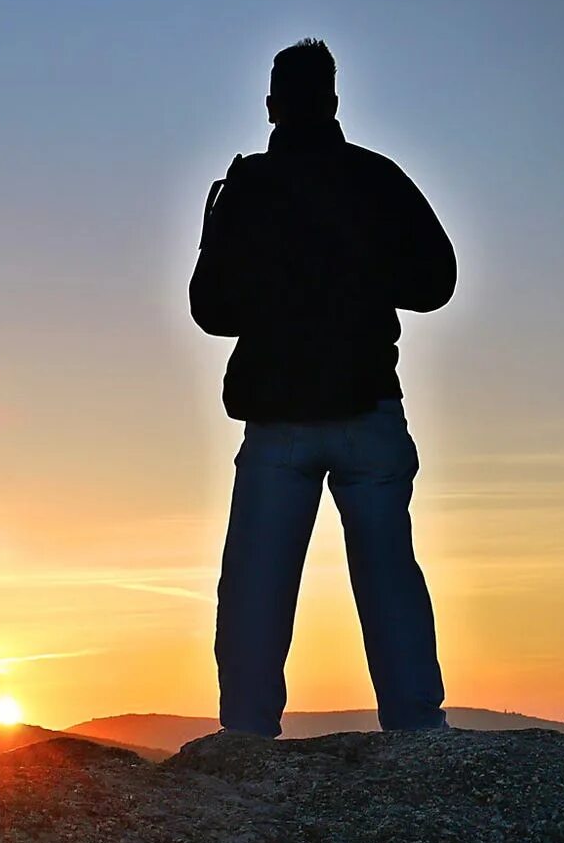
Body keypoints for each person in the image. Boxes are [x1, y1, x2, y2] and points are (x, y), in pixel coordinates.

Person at [190, 39, 455, 735]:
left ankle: (246, 743)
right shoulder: (376, 177)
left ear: (271, 105)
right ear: (333, 101)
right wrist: (362, 277)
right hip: (368, 406)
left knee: (256, 586)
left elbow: (209, 309)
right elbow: (438, 282)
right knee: (388, 572)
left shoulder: (247, 188)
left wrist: (277, 293)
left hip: (278, 417)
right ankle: (419, 736)